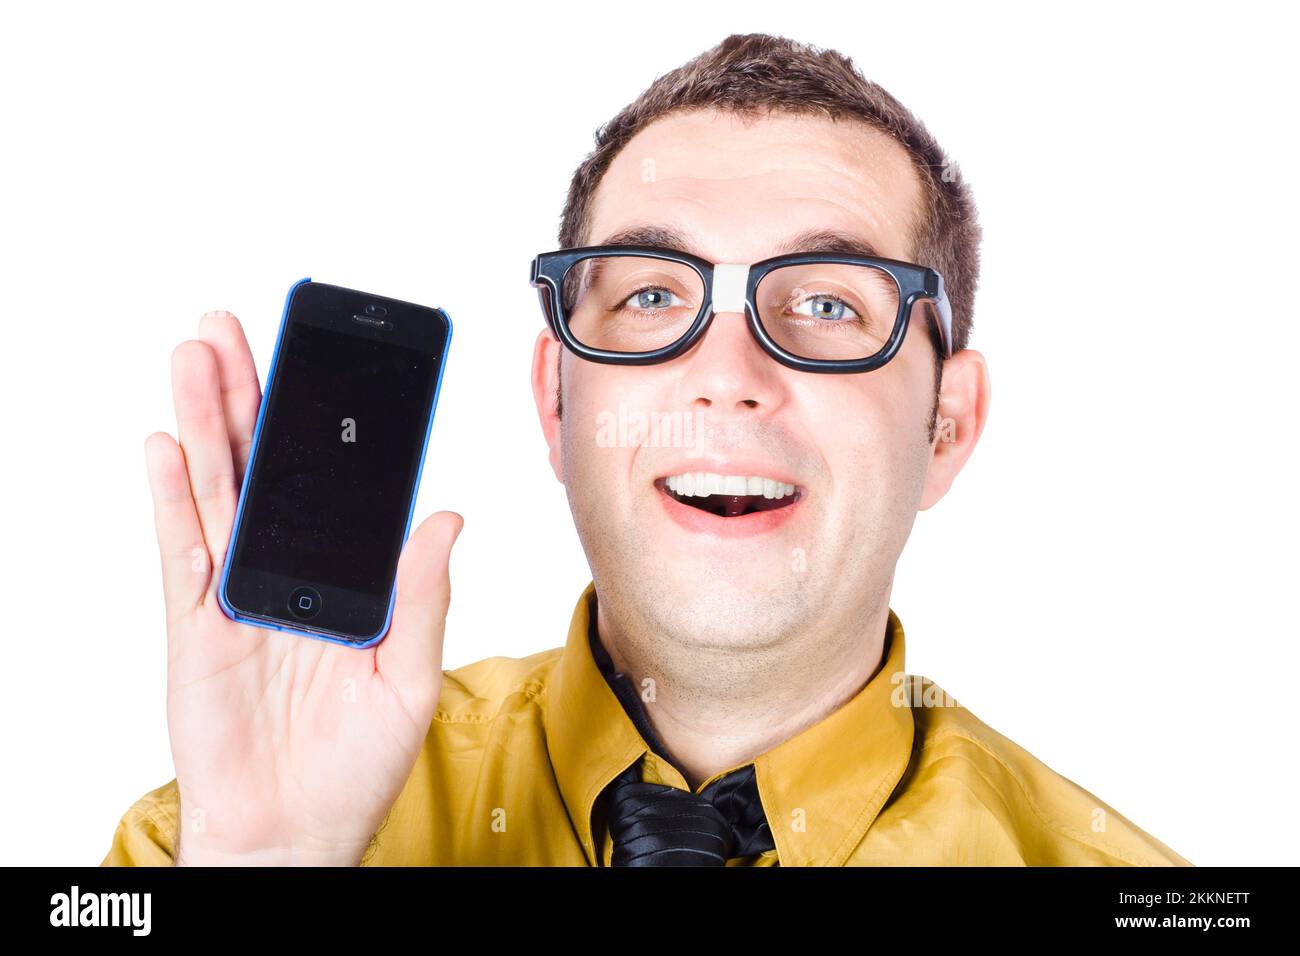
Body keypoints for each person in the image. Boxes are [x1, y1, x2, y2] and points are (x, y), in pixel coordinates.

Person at [103, 33, 1189, 867]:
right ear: (556, 402)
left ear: (945, 425)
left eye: (824, 301)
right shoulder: (207, 837)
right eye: (654, 294)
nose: (727, 374)